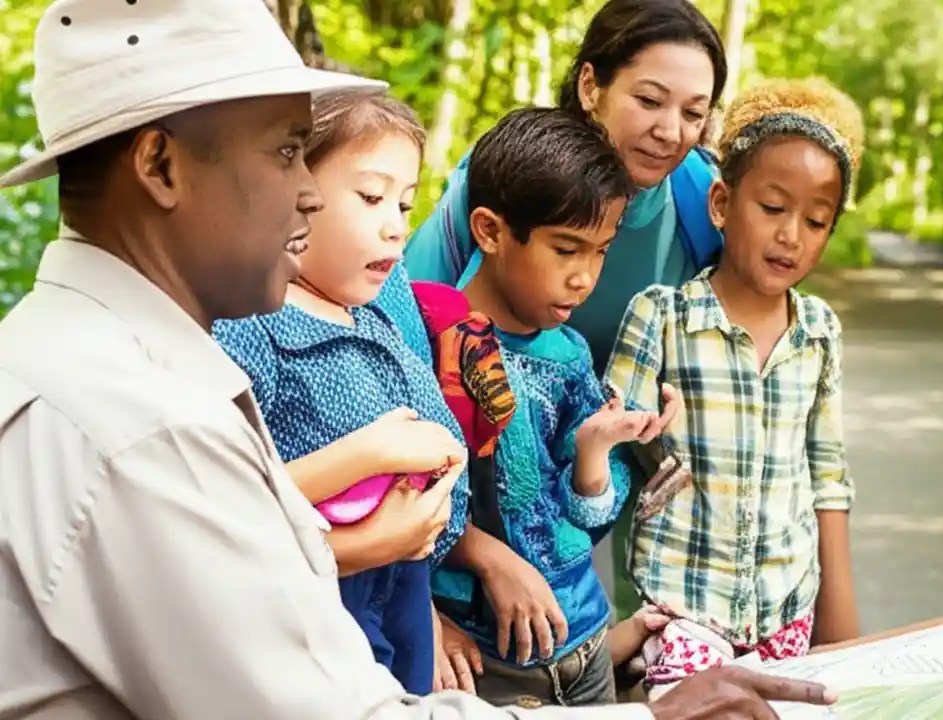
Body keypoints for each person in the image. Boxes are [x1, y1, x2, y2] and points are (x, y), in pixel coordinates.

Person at [0, 1, 835, 718]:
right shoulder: (141, 432)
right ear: (160, 164)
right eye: (286, 151)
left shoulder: (109, 363)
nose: (306, 193)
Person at [390, 0, 730, 626]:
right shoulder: (511, 181)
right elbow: (395, 331)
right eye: (649, 100)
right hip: (484, 451)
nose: (670, 130)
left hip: (615, 452)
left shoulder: (699, 198)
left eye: (693, 112)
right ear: (591, 85)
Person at [409, 108, 681, 708]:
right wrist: (431, 610)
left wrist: (596, 449)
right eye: (566, 249)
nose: (584, 277)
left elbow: (585, 518)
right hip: (480, 664)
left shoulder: (569, 355)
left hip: (583, 649)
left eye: (601, 252)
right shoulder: (424, 341)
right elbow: (396, 502)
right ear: (489, 229)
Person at [604, 78, 866, 695]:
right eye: (772, 209)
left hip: (787, 606)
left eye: (816, 220)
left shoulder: (820, 331)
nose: (791, 236)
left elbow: (826, 473)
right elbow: (606, 453)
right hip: (682, 604)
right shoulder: (662, 317)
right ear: (721, 204)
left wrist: (838, 607)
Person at [212, 88, 470, 696]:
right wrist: (373, 455)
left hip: (404, 595)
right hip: (321, 611)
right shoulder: (253, 323)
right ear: (294, 189)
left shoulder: (378, 314)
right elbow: (229, 492)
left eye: (405, 205)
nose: (394, 226)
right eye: (371, 197)